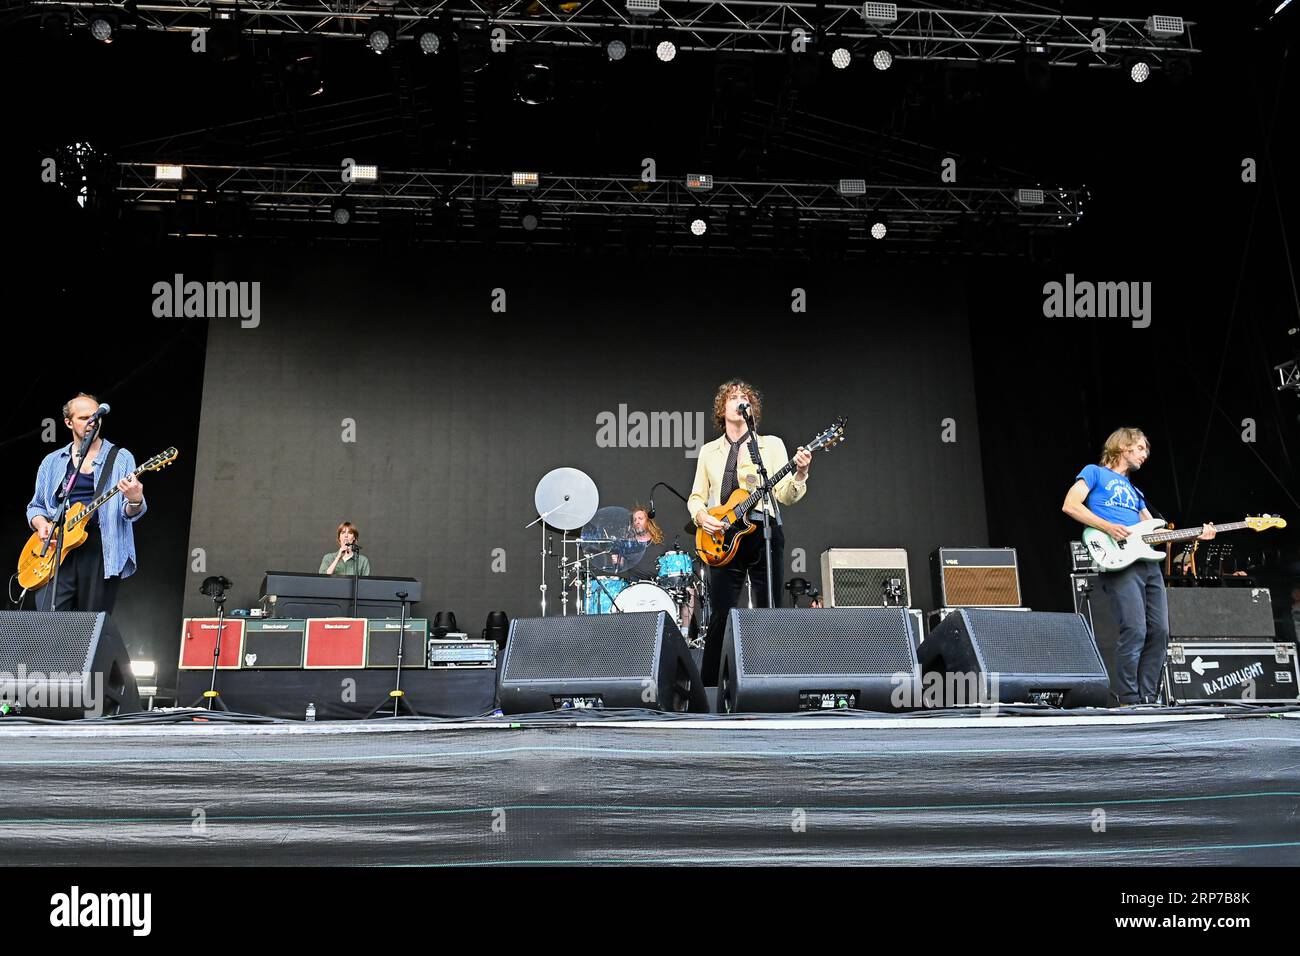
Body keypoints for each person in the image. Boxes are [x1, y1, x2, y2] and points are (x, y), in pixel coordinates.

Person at [1062, 427, 1214, 705]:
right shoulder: (1094, 473)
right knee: (1135, 629)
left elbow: (1154, 532)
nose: (1145, 455)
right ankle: (1128, 698)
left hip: (1147, 563)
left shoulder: (1135, 491)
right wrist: (1108, 526)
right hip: (1119, 560)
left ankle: (1148, 697)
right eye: (1141, 448)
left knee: (1160, 631)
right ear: (1122, 447)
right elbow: (1070, 505)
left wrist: (1197, 534)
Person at [688, 380, 812, 685]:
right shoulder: (709, 451)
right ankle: (711, 689)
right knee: (720, 615)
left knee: (770, 609)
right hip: (724, 536)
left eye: (744, 398)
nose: (739, 401)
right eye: (733, 398)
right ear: (722, 408)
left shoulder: (771, 445)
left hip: (763, 529)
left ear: (751, 408)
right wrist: (702, 517)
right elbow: (696, 497)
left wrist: (800, 473)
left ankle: (771, 682)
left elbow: (785, 495)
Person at [25, 393, 148, 613]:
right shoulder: (52, 461)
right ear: (68, 422)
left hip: (100, 548)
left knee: (89, 627)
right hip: (58, 548)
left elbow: (127, 512)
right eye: (84, 418)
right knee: (46, 621)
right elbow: (36, 507)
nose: (92, 423)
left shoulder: (120, 458)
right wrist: (41, 523)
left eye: (96, 417)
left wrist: (135, 499)